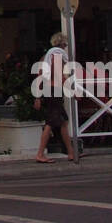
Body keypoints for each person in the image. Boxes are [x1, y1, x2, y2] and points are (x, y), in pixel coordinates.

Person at [34, 32, 78, 164]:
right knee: (50, 123)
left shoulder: (46, 56)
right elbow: (60, 77)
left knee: (63, 121)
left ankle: (71, 152)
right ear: (63, 44)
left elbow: (40, 75)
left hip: (49, 90)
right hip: (54, 91)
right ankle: (40, 153)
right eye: (65, 44)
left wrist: (37, 96)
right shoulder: (57, 55)